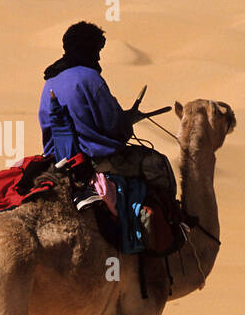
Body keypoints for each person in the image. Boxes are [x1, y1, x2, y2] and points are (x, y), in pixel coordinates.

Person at [38, 22, 167, 209]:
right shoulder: (90, 78)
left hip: (56, 161)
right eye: (96, 50)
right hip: (92, 161)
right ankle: (166, 230)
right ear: (88, 49)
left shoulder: (50, 80)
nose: (98, 57)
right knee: (156, 163)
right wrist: (128, 121)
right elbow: (114, 126)